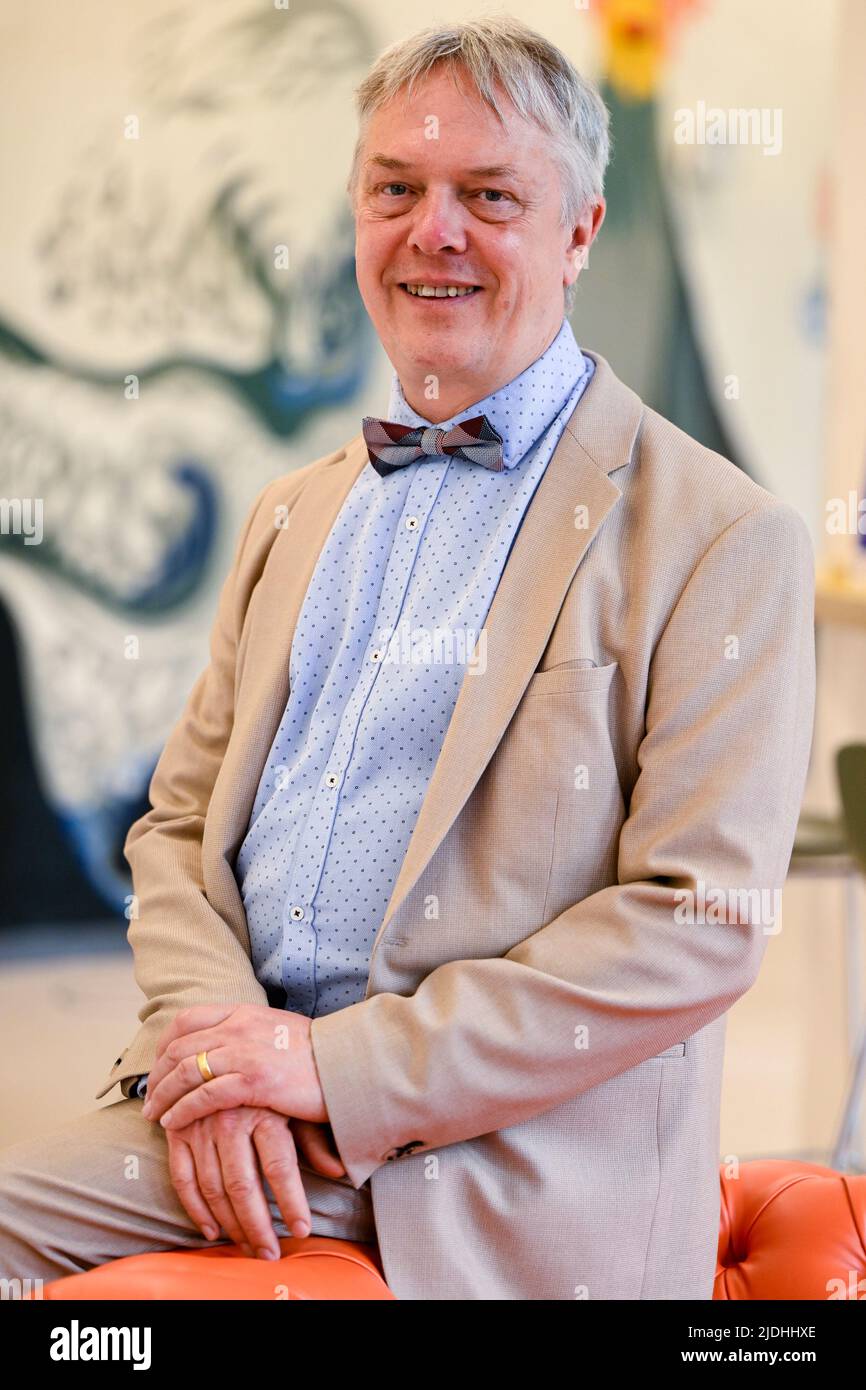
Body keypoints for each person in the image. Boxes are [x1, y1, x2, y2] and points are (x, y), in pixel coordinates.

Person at [0, 16, 815, 1301]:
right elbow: (173, 830)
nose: (433, 231)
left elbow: (695, 921)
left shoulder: (724, 537)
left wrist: (334, 1069)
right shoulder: (289, 513)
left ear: (578, 233)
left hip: (499, 1168)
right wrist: (221, 1067)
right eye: (395, 190)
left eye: (488, 195)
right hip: (243, 1119)